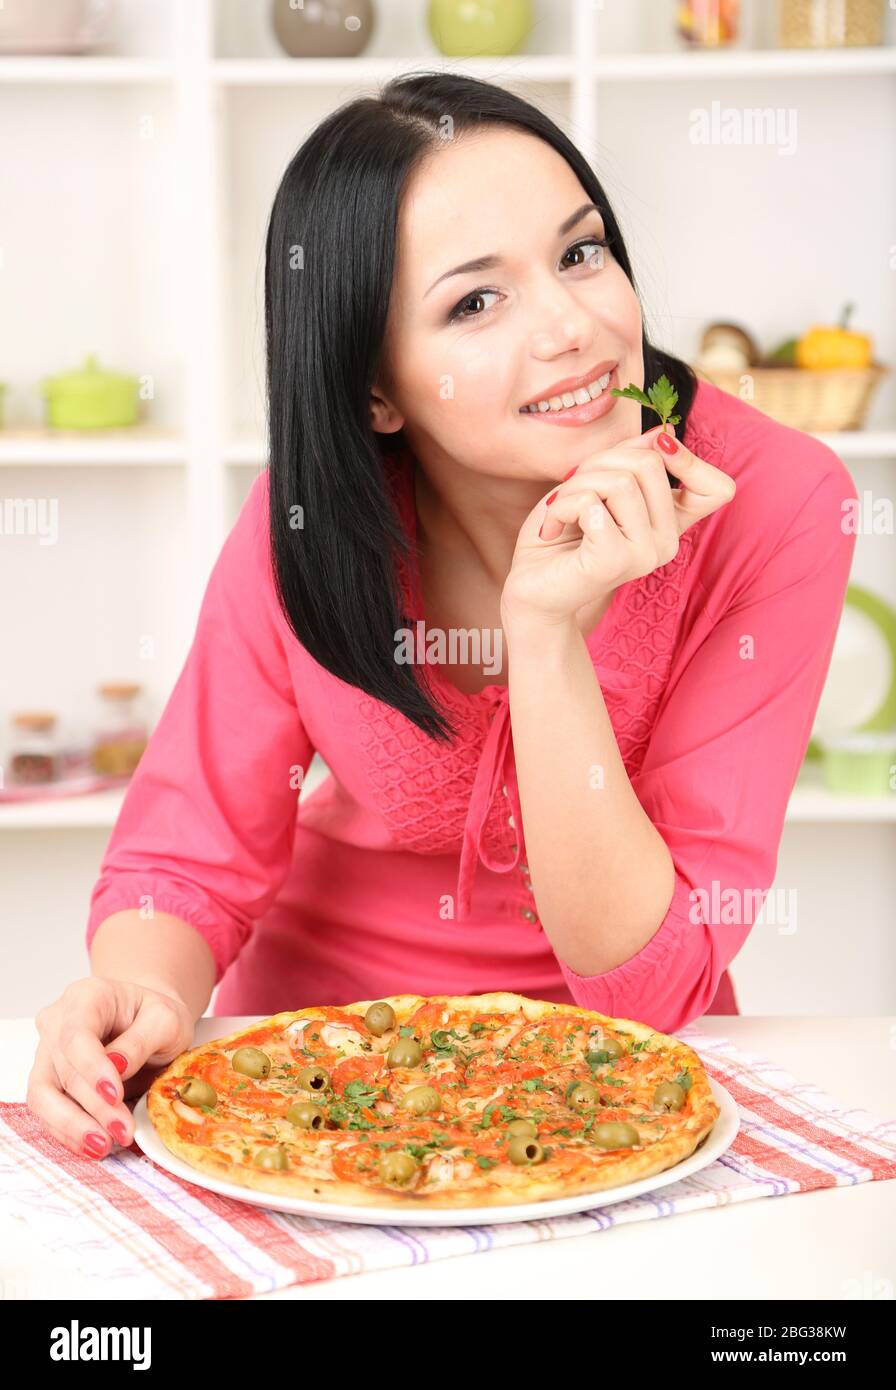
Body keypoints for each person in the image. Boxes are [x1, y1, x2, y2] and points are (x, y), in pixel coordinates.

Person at [26, 73, 856, 1161]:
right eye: (475, 301)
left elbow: (646, 982)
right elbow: (186, 859)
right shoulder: (308, 510)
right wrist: (135, 995)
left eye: (579, 252)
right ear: (374, 389)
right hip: (303, 1071)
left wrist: (544, 635)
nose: (572, 327)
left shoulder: (774, 499)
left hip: (617, 1084)